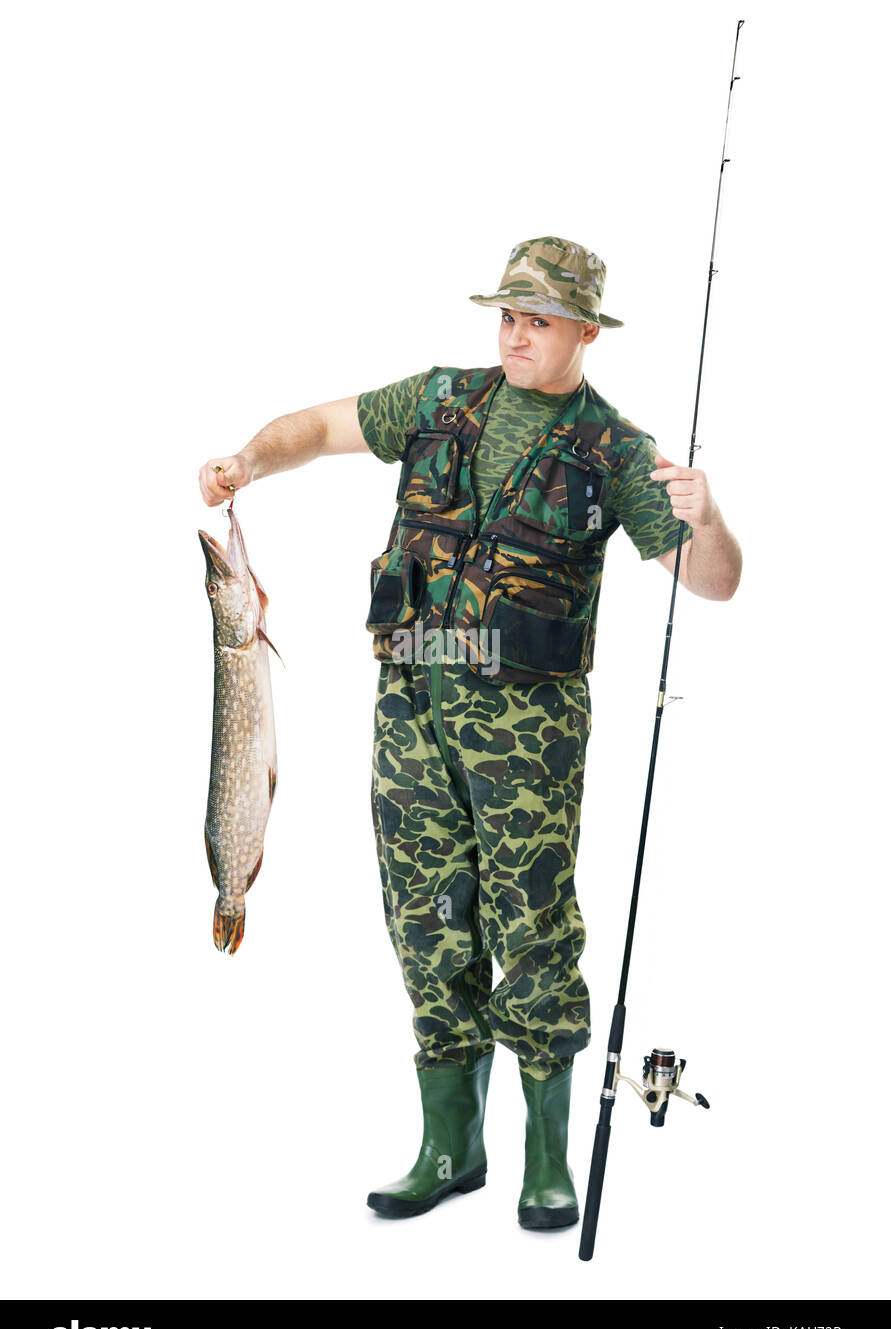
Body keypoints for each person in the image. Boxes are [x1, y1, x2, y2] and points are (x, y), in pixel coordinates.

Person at [198, 235, 742, 1231]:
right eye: (508, 315)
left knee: (533, 928)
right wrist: (247, 460)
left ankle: (545, 1160)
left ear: (584, 329)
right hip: (411, 711)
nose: (517, 334)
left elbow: (713, 581)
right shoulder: (441, 399)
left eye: (538, 319)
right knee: (426, 924)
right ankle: (451, 1147)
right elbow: (320, 426)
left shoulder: (617, 452)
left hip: (528, 732)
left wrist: (706, 519)